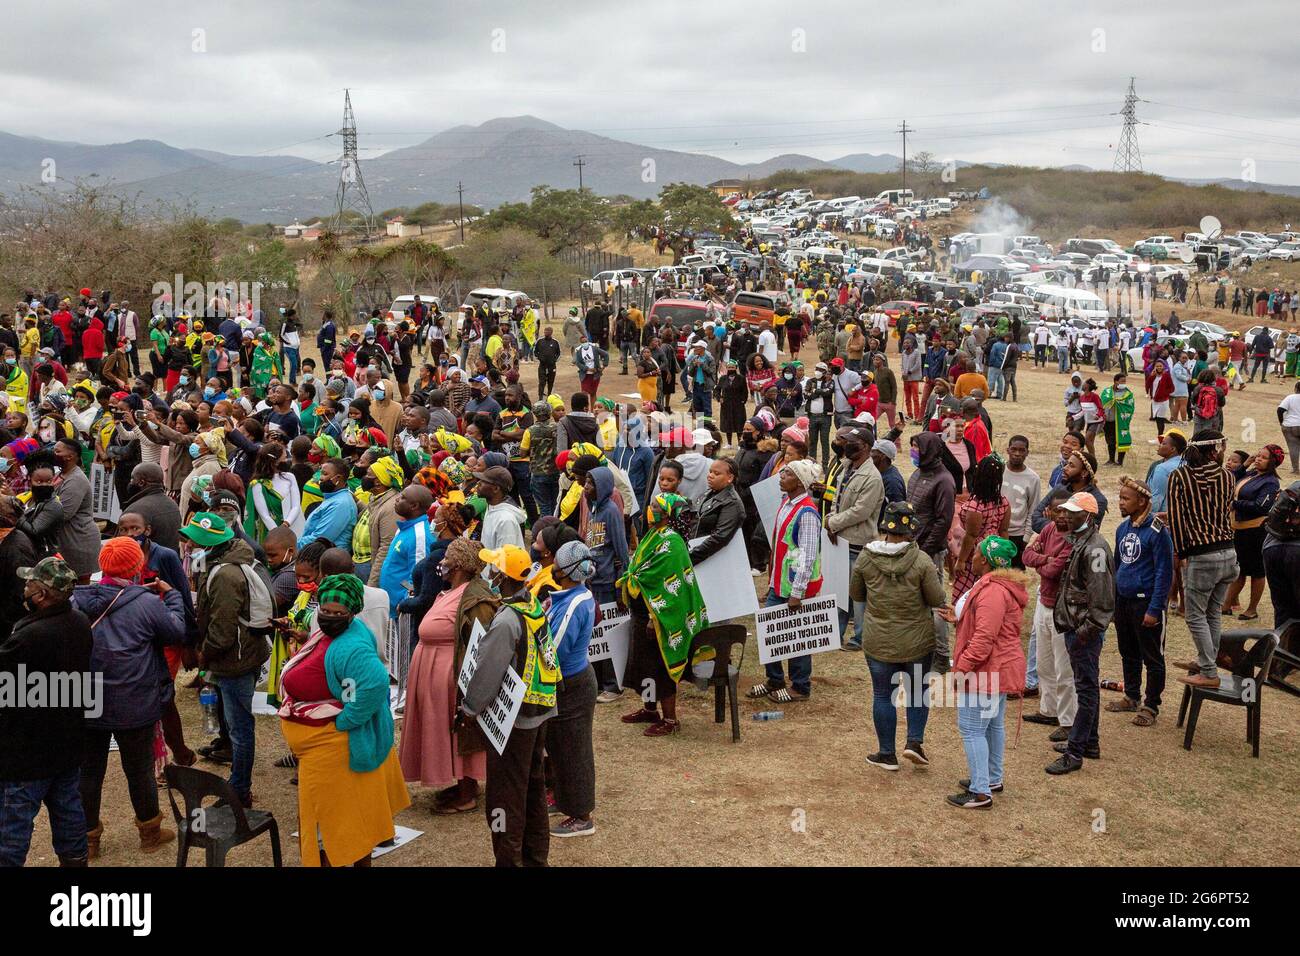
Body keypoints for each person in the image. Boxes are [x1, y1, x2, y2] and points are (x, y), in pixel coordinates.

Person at [277, 573, 410, 867]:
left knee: (334, 824)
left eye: (338, 613)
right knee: (348, 821)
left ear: (351, 614)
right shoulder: (335, 634)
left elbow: (374, 685)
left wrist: (345, 721)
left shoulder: (350, 646)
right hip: (325, 751)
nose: (330, 616)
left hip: (333, 747)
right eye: (325, 610)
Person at [74, 537, 187, 857]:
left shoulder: (77, 600)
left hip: (86, 697)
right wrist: (173, 596)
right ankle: (150, 831)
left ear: (102, 565)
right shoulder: (147, 603)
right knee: (138, 769)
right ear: (138, 566)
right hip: (134, 698)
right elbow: (176, 631)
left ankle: (88, 839)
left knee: (88, 772)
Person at [462, 545, 556, 867]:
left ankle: (509, 860)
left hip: (513, 723)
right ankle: (535, 859)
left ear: (502, 576)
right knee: (532, 789)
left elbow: (487, 671)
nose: (490, 574)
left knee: (505, 798)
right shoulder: (531, 605)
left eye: (494, 570)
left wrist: (469, 708)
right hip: (538, 711)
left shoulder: (505, 622)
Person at [0, 557, 92, 867]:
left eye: (29, 584)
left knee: (11, 831)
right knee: (69, 815)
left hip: (26, 754)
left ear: (41, 595)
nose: (23, 588)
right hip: (67, 743)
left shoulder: (28, 637)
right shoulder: (79, 622)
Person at [853, 502, 947, 771]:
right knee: (918, 692)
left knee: (883, 695)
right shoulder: (921, 561)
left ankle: (886, 754)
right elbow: (937, 599)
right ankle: (914, 742)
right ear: (911, 530)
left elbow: (857, 595)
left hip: (878, 640)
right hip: (917, 641)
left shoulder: (865, 557)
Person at [185, 511, 268, 807]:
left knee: (239, 727)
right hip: (238, 654)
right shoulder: (222, 564)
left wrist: (204, 654)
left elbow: (222, 629)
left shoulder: (226, 575)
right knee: (237, 725)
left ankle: (239, 789)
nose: (190, 546)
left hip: (235, 660)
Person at [941, 535, 1026, 808]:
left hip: (988, 670)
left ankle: (980, 792)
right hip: (999, 667)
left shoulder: (992, 592)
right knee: (992, 725)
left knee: (971, 728)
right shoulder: (997, 586)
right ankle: (991, 778)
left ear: (987, 561)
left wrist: (961, 669)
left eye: (977, 553)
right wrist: (960, 618)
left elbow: (983, 639)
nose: (972, 557)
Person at [618, 493, 708, 732]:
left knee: (660, 668)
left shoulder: (673, 542)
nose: (650, 508)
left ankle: (670, 720)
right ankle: (649, 710)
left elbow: (670, 588)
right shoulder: (652, 534)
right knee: (644, 667)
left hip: (658, 618)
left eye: (656, 506)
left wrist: (654, 617)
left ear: (668, 513)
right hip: (641, 613)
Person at [1045, 492, 1115, 775]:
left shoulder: (1095, 549)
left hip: (1083, 631)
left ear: (1087, 516)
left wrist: (1086, 631)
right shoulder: (1082, 541)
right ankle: (1090, 742)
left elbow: (1102, 600)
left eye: (1072, 512)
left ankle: (1075, 752)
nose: (1066, 516)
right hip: (1077, 627)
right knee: (1087, 686)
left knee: (1085, 690)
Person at [1165, 431, 1238, 690]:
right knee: (1212, 613)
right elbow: (1227, 509)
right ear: (1213, 451)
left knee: (1195, 616)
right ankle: (1205, 661)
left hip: (1201, 553)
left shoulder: (1180, 476)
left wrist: (1182, 553)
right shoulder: (1228, 477)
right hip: (1228, 552)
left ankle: (1208, 670)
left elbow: (1175, 518)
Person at [749, 461, 823, 703]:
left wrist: (798, 592)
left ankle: (801, 685)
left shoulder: (808, 512)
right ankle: (775, 679)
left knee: (797, 637)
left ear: (800, 481)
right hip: (779, 582)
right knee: (770, 632)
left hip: (794, 587)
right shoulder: (785, 502)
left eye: (788, 473)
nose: (781, 475)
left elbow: (808, 554)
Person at [1108, 475, 1174, 727]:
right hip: (1124, 602)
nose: (1121, 503)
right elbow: (1117, 567)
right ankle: (1131, 695)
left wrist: (1155, 608)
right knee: (1128, 651)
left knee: (1152, 656)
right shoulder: (1122, 529)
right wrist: (1115, 603)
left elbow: (1164, 572)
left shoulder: (1158, 532)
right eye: (1120, 497)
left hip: (1146, 603)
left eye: (1126, 498)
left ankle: (1151, 705)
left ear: (1142, 501)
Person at [545, 541, 599, 838]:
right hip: (570, 682)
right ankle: (565, 800)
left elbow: (554, 650)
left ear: (565, 571)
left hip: (572, 685)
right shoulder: (571, 596)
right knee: (560, 746)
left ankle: (581, 816)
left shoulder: (575, 604)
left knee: (574, 750)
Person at [1021, 487, 1076, 742]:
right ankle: (1048, 709)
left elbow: (1055, 570)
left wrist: (1042, 560)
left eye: (1067, 510)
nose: (1062, 515)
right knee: (1043, 663)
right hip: (1043, 603)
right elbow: (1026, 555)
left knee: (1063, 667)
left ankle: (1068, 721)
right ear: (1049, 511)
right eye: (1057, 510)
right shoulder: (1048, 529)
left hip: (1063, 608)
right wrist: (1046, 559)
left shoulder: (1074, 538)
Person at [825, 424, 884, 650]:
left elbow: (861, 511)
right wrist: (831, 519)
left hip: (858, 542)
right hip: (840, 539)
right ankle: (835, 634)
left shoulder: (872, 477)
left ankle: (859, 637)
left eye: (852, 443)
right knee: (839, 592)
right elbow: (836, 499)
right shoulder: (846, 466)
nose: (846, 445)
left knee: (858, 595)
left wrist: (833, 523)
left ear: (866, 447)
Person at [907, 431, 957, 673]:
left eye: (917, 447)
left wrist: (924, 551)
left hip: (930, 552)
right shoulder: (918, 473)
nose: (913, 452)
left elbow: (943, 521)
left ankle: (941, 654)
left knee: (936, 603)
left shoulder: (944, 480)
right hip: (911, 547)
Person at [1222, 445, 1284, 621]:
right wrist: (1244, 465)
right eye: (1258, 456)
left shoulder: (1271, 482)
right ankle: (1227, 604)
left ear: (1272, 463)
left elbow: (1261, 506)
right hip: (1240, 529)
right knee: (1239, 569)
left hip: (1256, 531)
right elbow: (1231, 481)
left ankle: (1252, 608)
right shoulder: (1252, 474)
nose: (1258, 459)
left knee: (1257, 571)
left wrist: (1235, 504)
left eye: (1263, 458)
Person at [950, 455, 1010, 602]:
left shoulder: (975, 506)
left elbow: (971, 535)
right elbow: (1004, 531)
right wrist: (1002, 556)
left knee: (968, 594)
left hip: (975, 554)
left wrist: (961, 561)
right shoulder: (1003, 502)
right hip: (993, 552)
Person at [688, 458, 744, 567]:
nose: (710, 476)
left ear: (730, 478)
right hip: (698, 557)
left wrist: (689, 556)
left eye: (716, 473)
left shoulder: (732, 503)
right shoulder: (707, 494)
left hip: (715, 563)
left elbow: (720, 537)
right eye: (710, 472)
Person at [1100, 372, 1136, 466]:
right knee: (1110, 441)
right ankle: (1111, 460)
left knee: (1121, 440)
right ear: (1116, 381)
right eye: (1122, 381)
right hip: (1109, 420)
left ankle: (1120, 462)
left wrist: (1119, 405)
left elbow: (1130, 406)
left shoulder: (1127, 394)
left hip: (1120, 421)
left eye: (1125, 381)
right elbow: (1102, 402)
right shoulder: (1107, 391)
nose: (1124, 383)